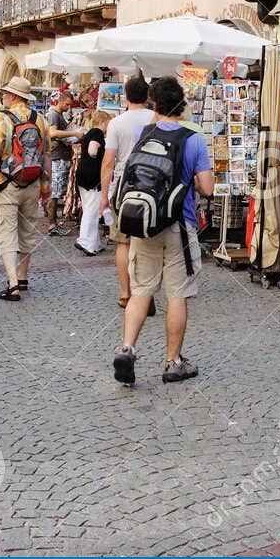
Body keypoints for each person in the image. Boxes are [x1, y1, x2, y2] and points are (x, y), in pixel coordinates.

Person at [111, 76, 212, 387]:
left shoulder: (146, 133)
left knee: (141, 290)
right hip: (179, 226)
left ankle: (127, 348)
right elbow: (207, 187)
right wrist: (191, 180)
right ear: (181, 103)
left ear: (154, 104)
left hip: (144, 224)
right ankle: (173, 362)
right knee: (177, 295)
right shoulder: (193, 138)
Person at [0, 75, 50, 302]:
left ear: (12, 96)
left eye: (5, 94)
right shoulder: (40, 119)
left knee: (7, 232)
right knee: (28, 232)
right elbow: (46, 155)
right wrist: (46, 187)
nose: (3, 97)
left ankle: (13, 284)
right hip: (33, 183)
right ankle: (24, 276)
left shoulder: (2, 118)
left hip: (6, 184)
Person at [101, 75, 156, 309]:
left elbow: (108, 162)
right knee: (147, 244)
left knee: (123, 243)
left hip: (123, 189)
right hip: (152, 187)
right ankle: (147, 293)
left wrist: (105, 194)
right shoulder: (155, 120)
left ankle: (126, 293)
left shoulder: (116, 123)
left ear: (125, 95)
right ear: (147, 96)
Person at [45, 94, 83, 236]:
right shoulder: (54, 114)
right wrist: (73, 133)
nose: (68, 108)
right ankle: (52, 224)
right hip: (57, 157)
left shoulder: (58, 114)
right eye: (67, 105)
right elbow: (53, 133)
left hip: (61, 156)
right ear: (60, 101)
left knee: (56, 191)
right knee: (54, 192)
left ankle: (53, 223)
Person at [74, 109, 110, 256]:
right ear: (102, 121)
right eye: (108, 122)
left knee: (91, 208)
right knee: (92, 210)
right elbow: (92, 151)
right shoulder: (97, 133)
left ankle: (94, 243)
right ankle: (85, 242)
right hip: (92, 178)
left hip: (84, 176)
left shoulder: (90, 132)